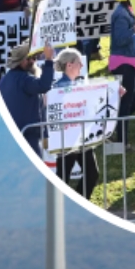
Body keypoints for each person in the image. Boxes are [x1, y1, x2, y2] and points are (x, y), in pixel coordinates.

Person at [49, 48, 100, 200]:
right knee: (63, 178)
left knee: (91, 173)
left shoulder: (79, 84)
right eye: (79, 63)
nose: (82, 67)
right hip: (67, 138)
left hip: (80, 137)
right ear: (69, 65)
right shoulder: (58, 87)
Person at [0, 41, 55, 155]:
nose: (33, 61)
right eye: (29, 58)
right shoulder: (24, 80)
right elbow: (44, 85)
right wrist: (49, 60)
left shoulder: (4, 80)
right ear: (19, 61)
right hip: (28, 136)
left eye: (34, 57)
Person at [108, 0, 135, 145]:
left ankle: (113, 126)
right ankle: (122, 141)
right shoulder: (121, 14)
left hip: (132, 61)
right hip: (122, 62)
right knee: (126, 102)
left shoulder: (131, 11)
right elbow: (120, 39)